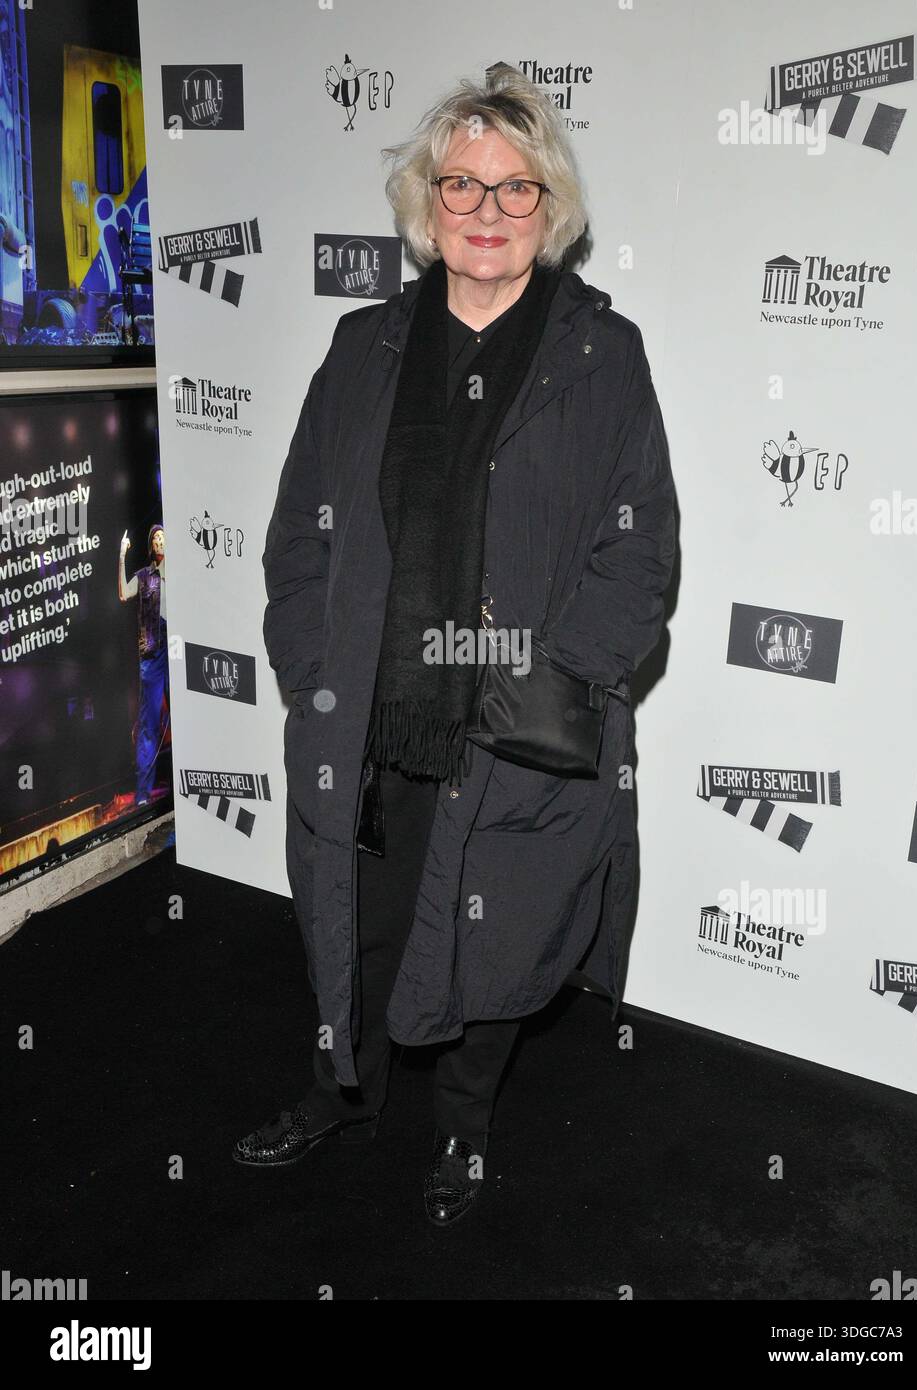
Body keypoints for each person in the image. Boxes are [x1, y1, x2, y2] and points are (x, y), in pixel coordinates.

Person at [235, 63, 677, 1227]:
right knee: (358, 923)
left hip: (515, 730)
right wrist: (307, 660)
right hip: (371, 714)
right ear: (423, 203)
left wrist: (557, 676)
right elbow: (298, 530)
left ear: (553, 210)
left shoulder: (602, 356)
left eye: (513, 189)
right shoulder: (360, 347)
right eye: (459, 185)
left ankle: (464, 1133)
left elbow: (638, 553)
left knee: (496, 946)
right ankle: (343, 1092)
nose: (485, 210)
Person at [119, 524, 169, 806]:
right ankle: (142, 794)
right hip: (153, 651)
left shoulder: (180, 571)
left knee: (186, 714)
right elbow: (123, 595)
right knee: (149, 725)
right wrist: (121, 556)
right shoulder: (143, 576)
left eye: (163, 537)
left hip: (176, 645)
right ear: (151, 546)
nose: (160, 541)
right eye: (156, 539)